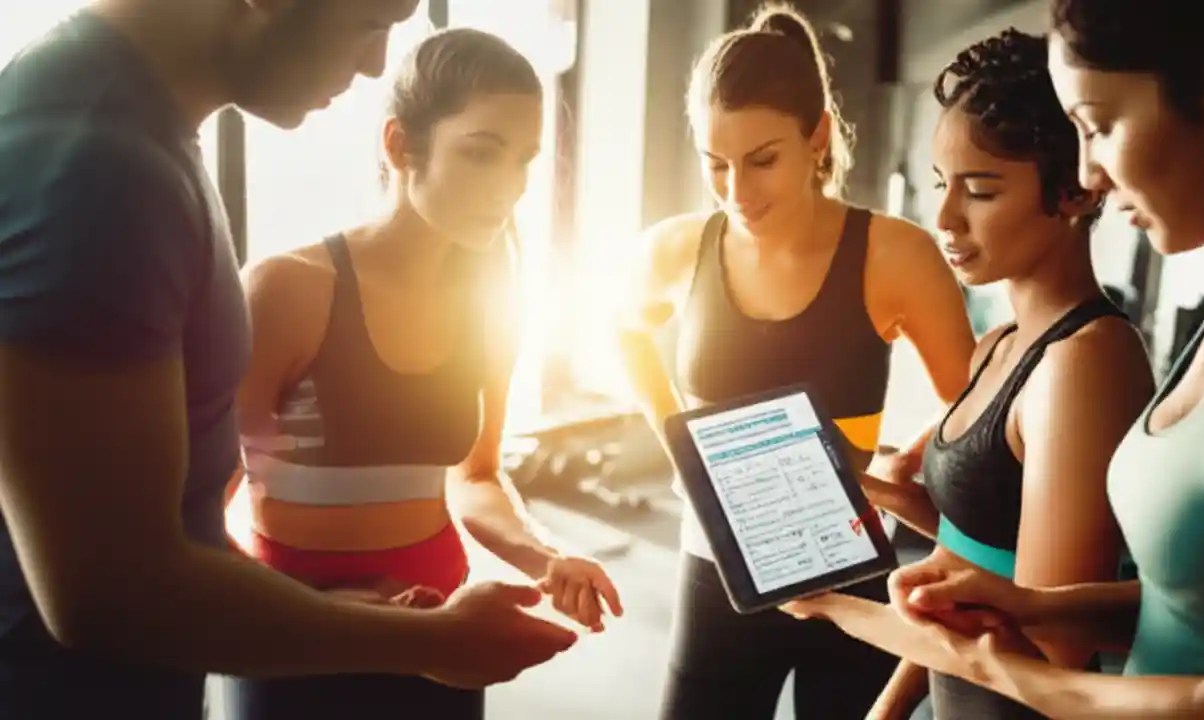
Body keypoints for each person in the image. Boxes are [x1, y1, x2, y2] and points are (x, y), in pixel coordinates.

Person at [0, 2, 578, 718]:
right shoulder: (92, 166)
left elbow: (177, 521)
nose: (374, 63)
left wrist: (502, 580)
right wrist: (419, 639)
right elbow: (110, 593)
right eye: (370, 21)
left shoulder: (135, 133)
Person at [785, 1, 1204, 717]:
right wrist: (1020, 603)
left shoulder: (1088, 360)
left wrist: (843, 610)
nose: (1090, 173)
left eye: (1100, 126)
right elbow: (1186, 606)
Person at [222, 27, 622, 719]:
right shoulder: (289, 289)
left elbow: (474, 476)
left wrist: (544, 557)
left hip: (445, 637)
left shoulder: (494, 288)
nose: (508, 189)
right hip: (294, 644)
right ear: (399, 145)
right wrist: (322, 611)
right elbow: (193, 513)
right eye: (481, 154)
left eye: (524, 161)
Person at [618, 4, 976, 718]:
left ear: (817, 138)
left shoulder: (893, 254)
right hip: (714, 566)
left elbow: (973, 414)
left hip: (848, 572)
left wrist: (906, 472)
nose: (736, 192)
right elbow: (627, 330)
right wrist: (676, 438)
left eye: (762, 160)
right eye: (714, 165)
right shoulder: (675, 249)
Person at [832, 29, 1154, 719]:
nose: (943, 217)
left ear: (1075, 191)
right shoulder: (999, 344)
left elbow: (1052, 647)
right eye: (942, 184)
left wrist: (837, 612)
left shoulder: (1085, 363)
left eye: (979, 190)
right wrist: (888, 707)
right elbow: (970, 548)